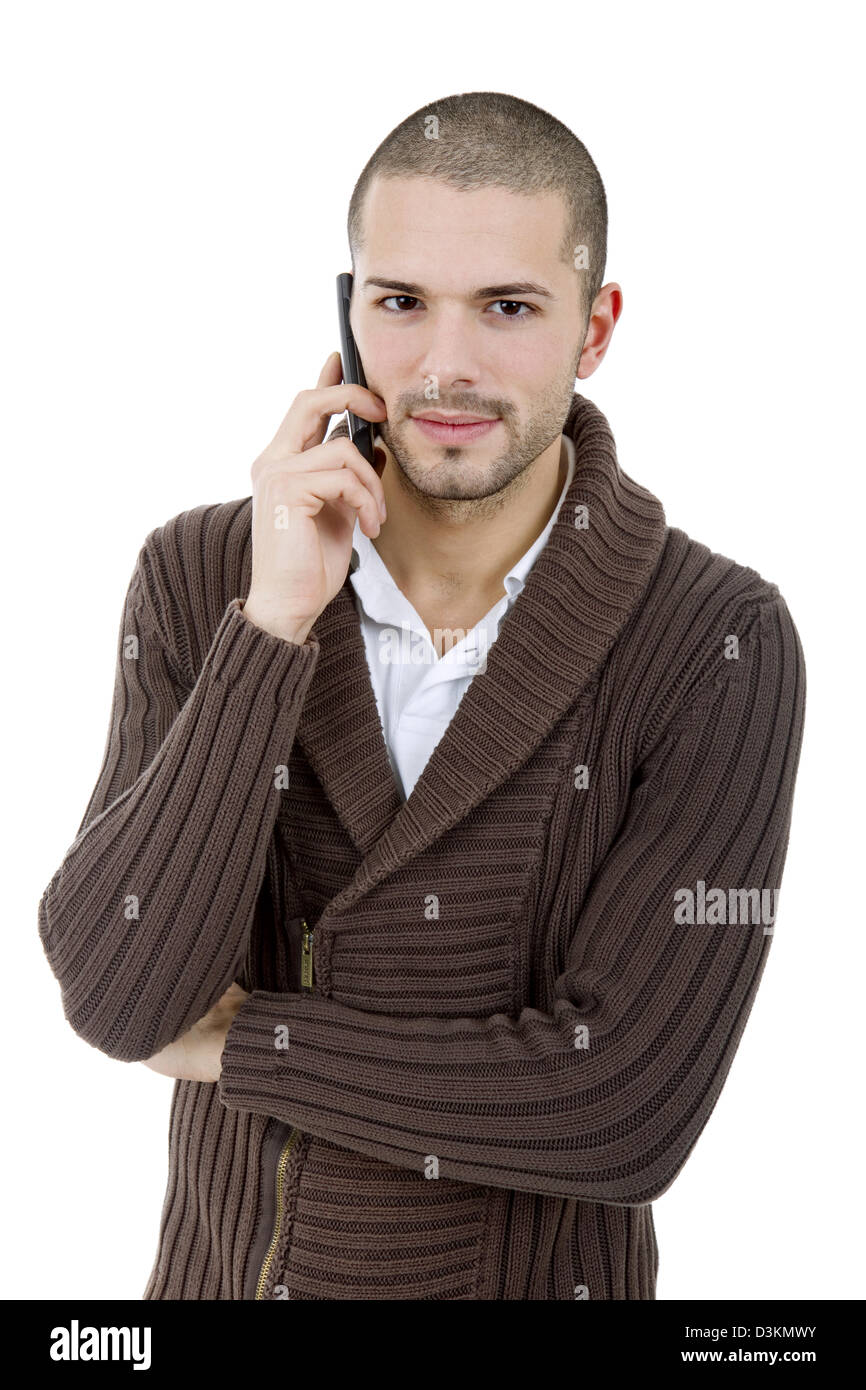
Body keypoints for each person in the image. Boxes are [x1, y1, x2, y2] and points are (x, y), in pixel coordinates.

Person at [38, 90, 806, 1301]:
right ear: (343, 310)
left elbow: (620, 1110)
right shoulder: (201, 577)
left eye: (507, 308)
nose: (444, 366)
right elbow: (120, 991)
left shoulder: (715, 637)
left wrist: (248, 1041)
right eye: (398, 303)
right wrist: (274, 622)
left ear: (593, 328)